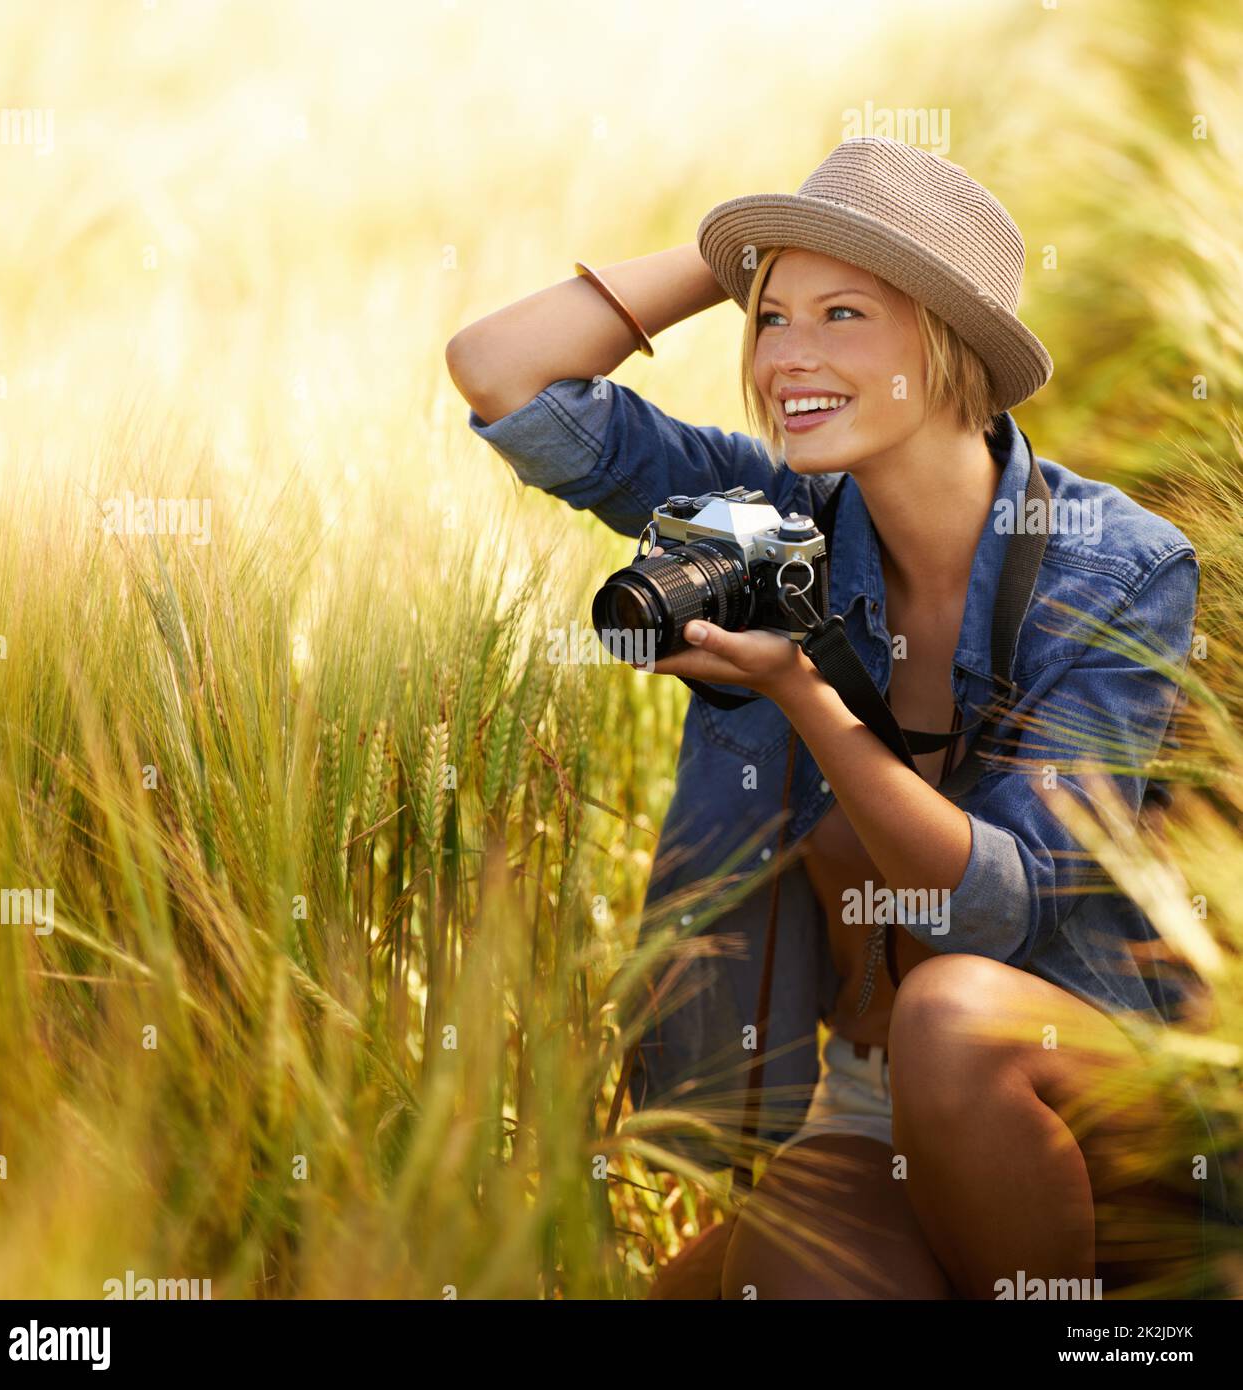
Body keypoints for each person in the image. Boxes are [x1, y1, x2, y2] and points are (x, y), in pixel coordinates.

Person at [446, 137, 1223, 1298]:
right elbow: (501, 371)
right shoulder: (765, 517)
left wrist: (801, 693)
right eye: (773, 320)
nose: (788, 360)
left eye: (845, 315)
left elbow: (993, 909)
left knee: (951, 1019)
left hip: (1077, 1072)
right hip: (870, 1101)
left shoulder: (1115, 569)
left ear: (945, 341)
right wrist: (737, 254)